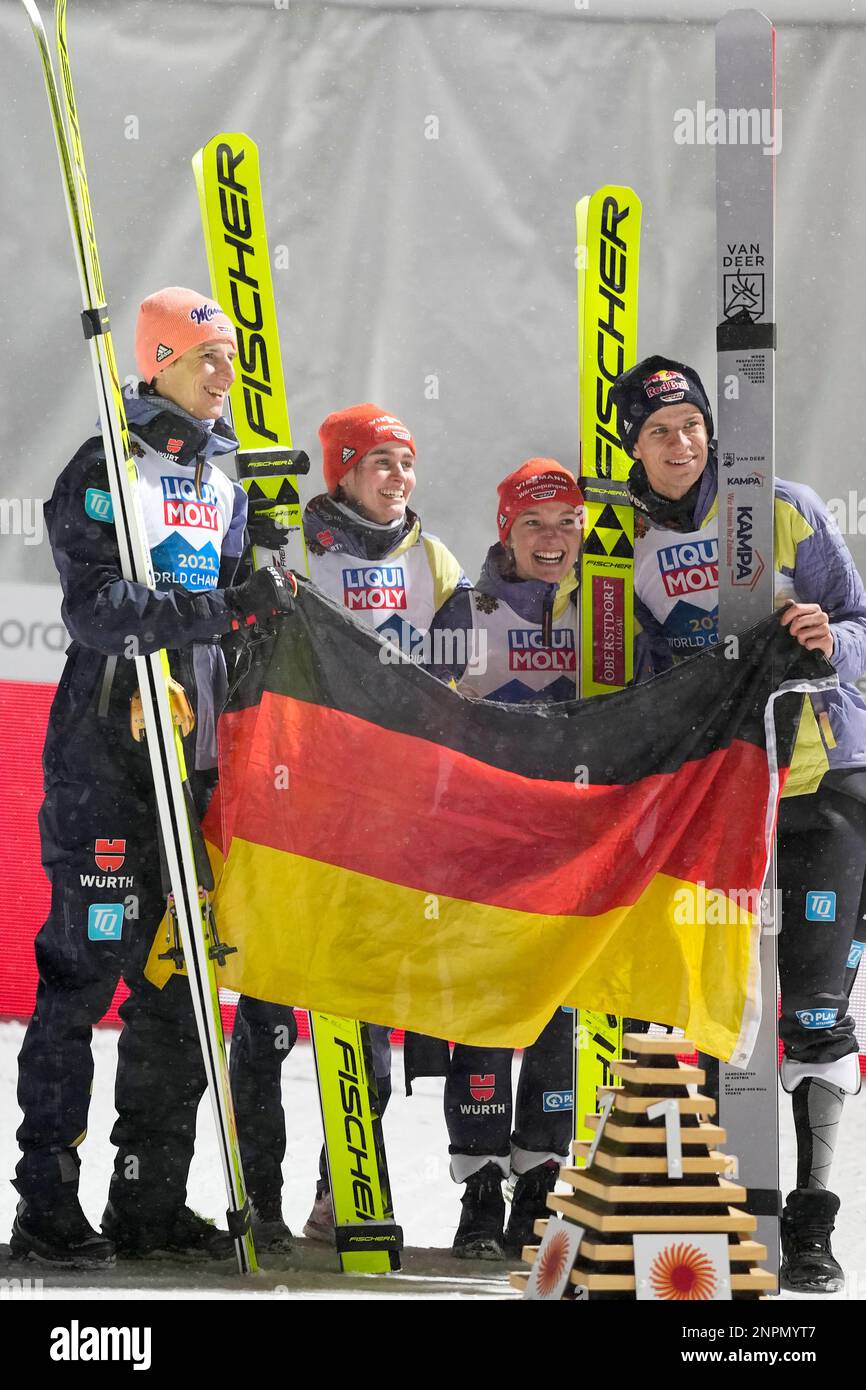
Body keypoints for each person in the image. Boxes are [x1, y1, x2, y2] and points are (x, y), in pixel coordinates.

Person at [11, 287, 295, 1267]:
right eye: (205, 358)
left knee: (174, 995)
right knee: (80, 985)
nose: (224, 375)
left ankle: (147, 1200)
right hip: (105, 768)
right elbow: (98, 611)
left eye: (228, 358)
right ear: (158, 359)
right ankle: (45, 1206)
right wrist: (219, 607)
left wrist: (258, 605)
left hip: (199, 769)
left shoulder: (226, 470)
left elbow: (231, 613)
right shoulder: (103, 465)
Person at [611, 354, 866, 1294]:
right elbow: (620, 682)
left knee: (812, 1012)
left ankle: (810, 1224)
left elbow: (861, 623)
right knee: (700, 1007)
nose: (683, 445)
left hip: (818, 789)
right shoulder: (620, 542)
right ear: (632, 445)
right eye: (660, 432)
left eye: (693, 427)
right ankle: (704, 1209)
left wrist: (827, 640)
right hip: (711, 807)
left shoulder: (784, 505)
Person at [228, 402, 468, 1247]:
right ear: (341, 472)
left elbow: (454, 689)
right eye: (379, 463)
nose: (398, 478)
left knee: (365, 1009)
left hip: (385, 819)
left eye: (406, 462)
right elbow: (247, 657)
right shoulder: (293, 548)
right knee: (266, 1016)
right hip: (291, 812)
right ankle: (257, 1194)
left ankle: (346, 1189)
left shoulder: (433, 560)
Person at [427, 458, 585, 1259]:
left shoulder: (609, 601)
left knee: (559, 1016)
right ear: (506, 532)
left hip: (576, 845)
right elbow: (421, 711)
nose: (552, 538)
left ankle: (540, 1185)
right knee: (486, 1016)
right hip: (488, 842)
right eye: (534, 524)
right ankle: (480, 1189)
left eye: (566, 522)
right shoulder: (469, 606)